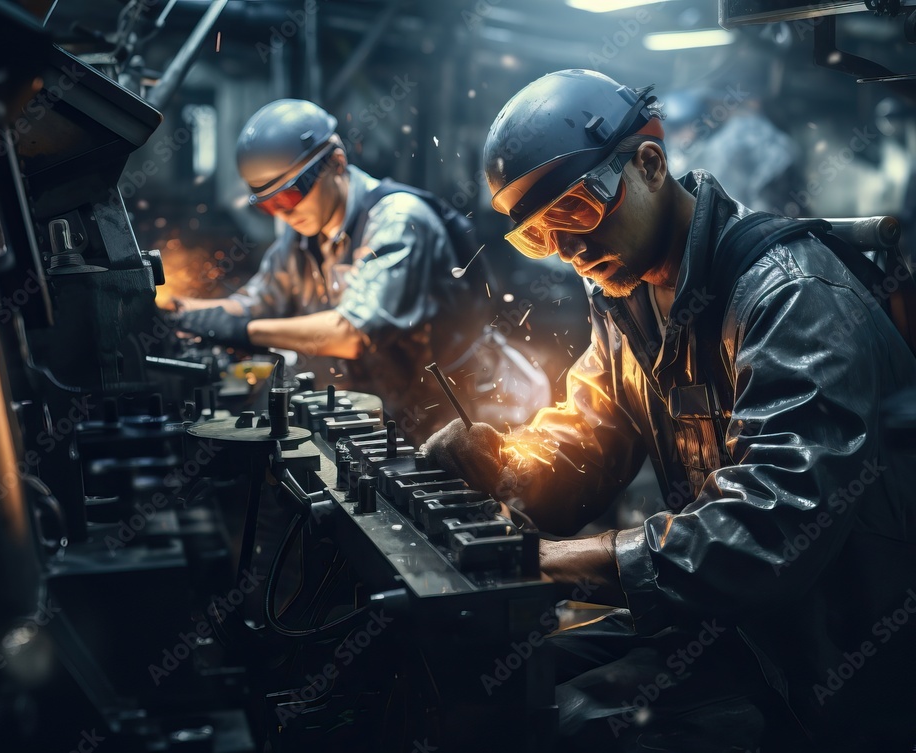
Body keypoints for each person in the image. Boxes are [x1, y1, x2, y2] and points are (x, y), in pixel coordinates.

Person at [424, 69, 916, 751]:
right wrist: (503, 470)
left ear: (650, 163)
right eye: (541, 236)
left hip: (830, 655)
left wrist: (561, 558)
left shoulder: (790, 296)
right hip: (728, 619)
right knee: (480, 674)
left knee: (575, 727)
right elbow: (584, 438)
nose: (567, 252)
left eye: (574, 212)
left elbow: (770, 530)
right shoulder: (626, 302)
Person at [169, 98, 548, 443]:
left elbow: (354, 332)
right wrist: (182, 313)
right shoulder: (302, 233)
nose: (282, 214)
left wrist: (239, 330)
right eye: (268, 206)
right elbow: (257, 303)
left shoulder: (398, 219)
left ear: (335, 162)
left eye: (289, 195)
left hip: (483, 414)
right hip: (407, 416)